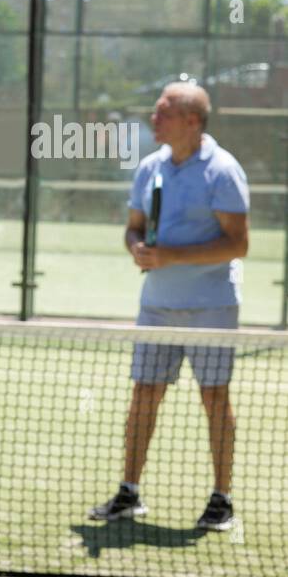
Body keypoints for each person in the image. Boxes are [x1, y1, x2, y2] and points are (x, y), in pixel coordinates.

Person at [89, 81, 249, 532]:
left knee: (214, 397)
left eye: (164, 112)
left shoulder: (223, 170)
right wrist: (137, 248)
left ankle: (222, 499)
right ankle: (129, 493)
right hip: (156, 305)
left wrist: (171, 256)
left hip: (211, 307)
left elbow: (238, 243)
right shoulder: (149, 168)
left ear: (192, 121)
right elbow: (133, 228)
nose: (153, 118)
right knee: (145, 394)